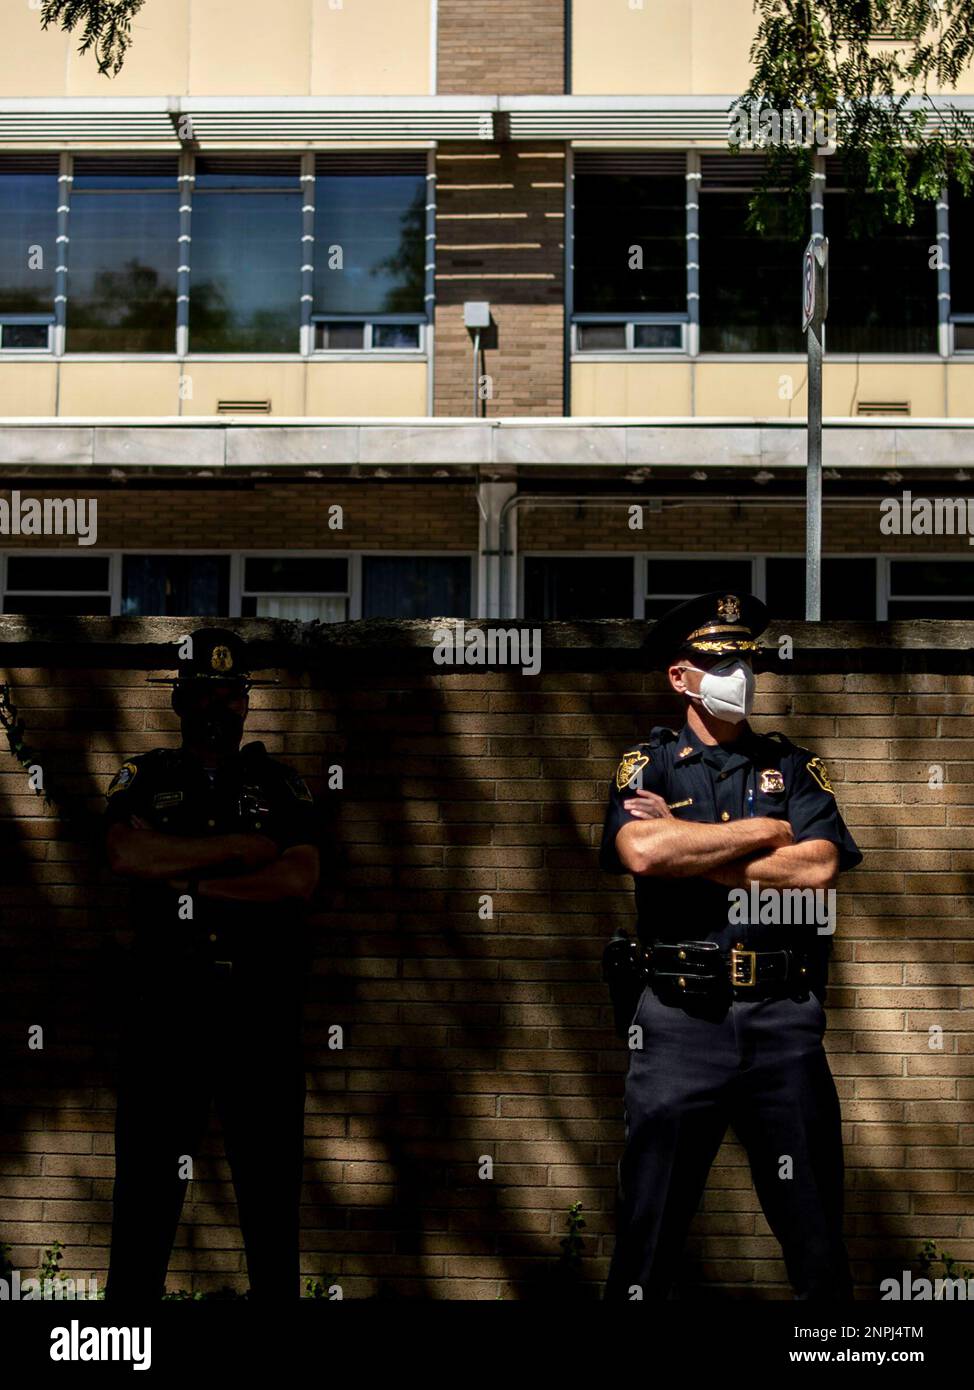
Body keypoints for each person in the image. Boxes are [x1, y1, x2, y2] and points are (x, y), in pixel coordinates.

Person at [600, 591, 862, 1302]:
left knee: (815, 1236)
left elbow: (816, 869)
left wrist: (697, 853)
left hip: (783, 1021)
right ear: (680, 678)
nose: (737, 673)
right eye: (719, 661)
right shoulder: (648, 765)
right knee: (647, 1235)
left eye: (743, 658)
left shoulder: (793, 768)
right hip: (680, 1021)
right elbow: (643, 852)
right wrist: (764, 833)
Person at [102, 628, 319, 1300]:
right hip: (166, 1009)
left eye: (229, 695)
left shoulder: (280, 783)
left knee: (269, 1193)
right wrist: (244, 849)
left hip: (260, 1010)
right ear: (180, 702)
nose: (217, 708)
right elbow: (127, 857)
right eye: (203, 694)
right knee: (145, 1191)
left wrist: (191, 883)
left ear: (245, 704)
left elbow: (299, 878)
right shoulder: (147, 777)